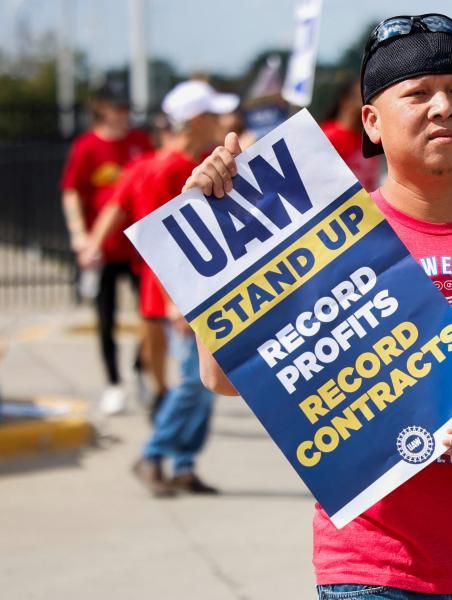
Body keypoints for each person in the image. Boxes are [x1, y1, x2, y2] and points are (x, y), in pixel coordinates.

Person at [187, 14, 452, 598]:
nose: (443, 107)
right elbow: (220, 377)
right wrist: (219, 229)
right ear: (372, 121)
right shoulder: (320, 244)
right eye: (416, 94)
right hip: (369, 573)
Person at [131, 80, 239, 498]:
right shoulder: (168, 171)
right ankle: (153, 454)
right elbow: (160, 244)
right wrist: (176, 304)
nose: (223, 121)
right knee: (193, 385)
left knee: (204, 389)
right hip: (180, 300)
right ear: (196, 121)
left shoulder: (198, 164)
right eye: (214, 114)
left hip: (196, 296)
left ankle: (184, 465)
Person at [60, 80, 153, 415]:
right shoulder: (87, 147)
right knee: (105, 319)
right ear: (101, 108)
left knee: (150, 316)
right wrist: (80, 236)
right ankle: (114, 383)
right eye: (118, 107)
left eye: (127, 107)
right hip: (104, 250)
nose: (124, 113)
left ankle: (142, 370)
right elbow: (72, 192)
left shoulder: (139, 142)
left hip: (139, 248)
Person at [80, 114, 176, 419]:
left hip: (170, 269)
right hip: (128, 260)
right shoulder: (141, 165)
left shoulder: (188, 159)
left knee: (152, 334)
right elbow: (113, 206)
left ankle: (145, 377)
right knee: (114, 321)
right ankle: (126, 386)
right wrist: (92, 244)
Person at [321, 75, 381, 191]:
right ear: (345, 100)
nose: (368, 99)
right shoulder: (328, 136)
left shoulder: (370, 140)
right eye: (362, 94)